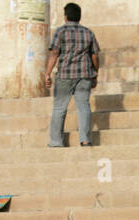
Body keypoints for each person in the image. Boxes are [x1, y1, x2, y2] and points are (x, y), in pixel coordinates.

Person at [46, 3, 101, 147]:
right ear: (79, 17)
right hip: (85, 75)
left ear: (65, 16)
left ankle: (56, 142)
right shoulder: (89, 33)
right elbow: (95, 56)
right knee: (84, 106)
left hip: (64, 75)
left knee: (59, 108)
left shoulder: (60, 31)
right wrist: (95, 74)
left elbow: (54, 53)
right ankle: (85, 140)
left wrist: (47, 73)